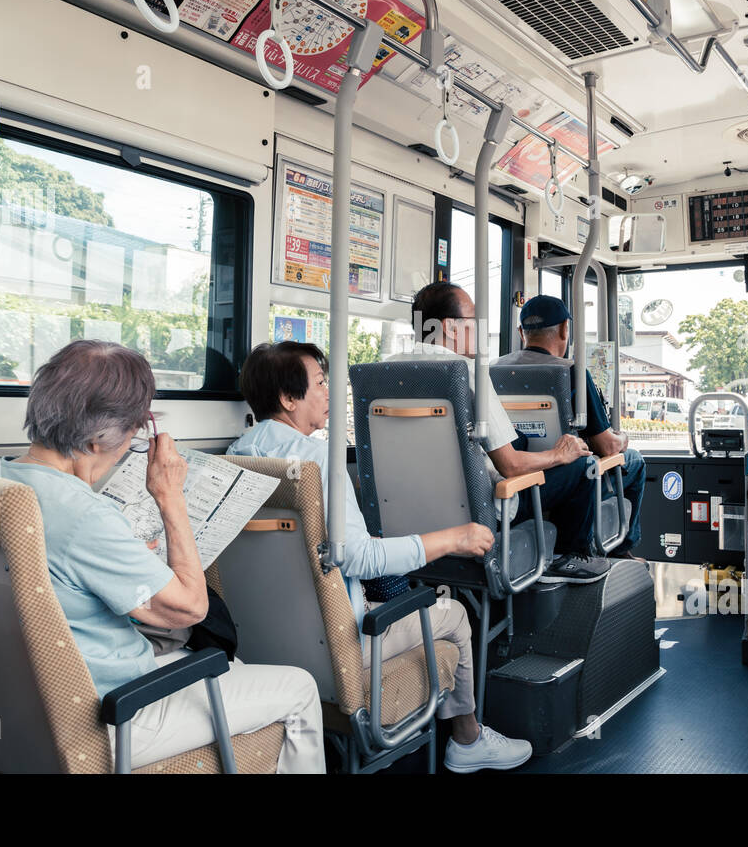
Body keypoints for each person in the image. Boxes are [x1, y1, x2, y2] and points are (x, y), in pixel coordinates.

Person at [0, 340, 325, 773]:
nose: (135, 440)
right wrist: (170, 498)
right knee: (300, 686)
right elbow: (190, 608)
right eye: (135, 429)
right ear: (99, 437)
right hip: (111, 713)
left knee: (231, 666)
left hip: (21, 703)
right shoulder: (82, 515)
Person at [229, 341, 534, 773]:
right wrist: (454, 538)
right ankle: (468, 741)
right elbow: (360, 560)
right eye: (319, 383)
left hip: (265, 647)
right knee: (455, 617)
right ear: (287, 399)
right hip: (343, 644)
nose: (328, 392)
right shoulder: (320, 462)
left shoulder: (237, 456)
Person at [390, 282, 612, 584]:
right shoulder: (466, 373)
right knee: (583, 466)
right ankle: (568, 560)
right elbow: (511, 465)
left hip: (405, 515)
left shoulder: (385, 370)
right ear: (450, 327)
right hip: (481, 510)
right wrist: (560, 453)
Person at [492, 294, 646, 559]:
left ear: (521, 331)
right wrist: (623, 438)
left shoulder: (493, 370)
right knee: (634, 461)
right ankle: (621, 548)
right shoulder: (572, 372)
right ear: (565, 329)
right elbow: (607, 446)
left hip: (518, 478)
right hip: (569, 475)